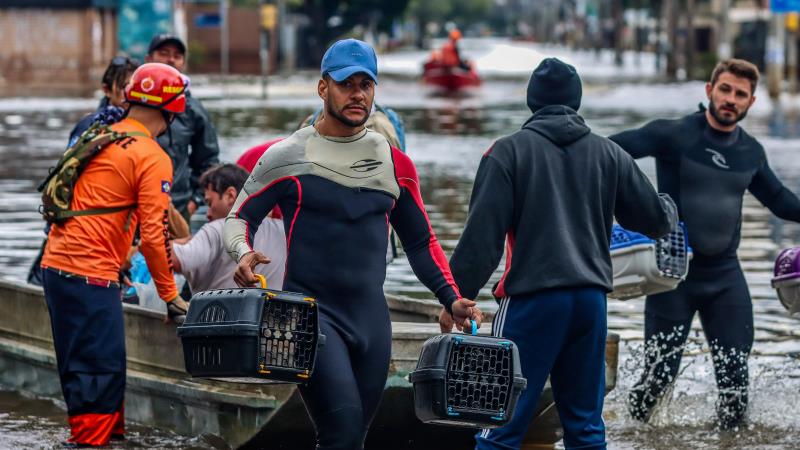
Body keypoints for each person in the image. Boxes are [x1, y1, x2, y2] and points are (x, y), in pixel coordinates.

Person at [223, 38, 483, 450]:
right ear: (323, 87)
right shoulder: (286, 156)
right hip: (310, 318)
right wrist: (242, 254)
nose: (358, 93)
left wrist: (451, 297)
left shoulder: (395, 163)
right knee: (341, 433)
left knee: (353, 438)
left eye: (367, 84)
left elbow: (420, 241)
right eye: (347, 84)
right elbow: (238, 217)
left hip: (371, 321)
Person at [443, 58, 677, 450]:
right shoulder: (609, 154)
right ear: (577, 100)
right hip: (590, 304)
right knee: (585, 429)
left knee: (498, 424)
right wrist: (670, 205)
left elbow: (482, 243)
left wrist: (452, 296)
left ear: (532, 101)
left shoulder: (506, 153)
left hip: (533, 303)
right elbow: (655, 219)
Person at [609, 58, 800, 429]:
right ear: (710, 91)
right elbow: (609, 152)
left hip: (725, 279)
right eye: (725, 89)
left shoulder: (751, 152)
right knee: (657, 379)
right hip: (671, 277)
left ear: (751, 102)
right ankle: (634, 435)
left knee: (735, 384)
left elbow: (779, 200)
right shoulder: (674, 134)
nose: (731, 99)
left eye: (740, 94)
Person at [40, 63, 190, 447]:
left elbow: (104, 208)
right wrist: (171, 296)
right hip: (89, 275)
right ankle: (90, 443)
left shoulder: (102, 134)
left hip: (58, 268)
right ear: (173, 109)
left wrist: (121, 263)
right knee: (99, 372)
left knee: (92, 370)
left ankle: (105, 439)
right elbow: (154, 237)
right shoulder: (151, 155)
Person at [28, 55, 140, 286]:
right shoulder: (92, 129)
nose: (130, 97)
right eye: (125, 88)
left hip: (118, 239)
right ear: (107, 90)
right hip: (81, 240)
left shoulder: (141, 128)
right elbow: (68, 183)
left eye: (135, 89)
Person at [172, 164, 286, 292]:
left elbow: (172, 259)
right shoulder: (283, 230)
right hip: (279, 310)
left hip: (224, 311)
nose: (207, 213)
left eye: (210, 203)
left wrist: (161, 215)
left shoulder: (217, 228)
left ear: (230, 196)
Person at [145, 33, 220, 218]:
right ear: (148, 59)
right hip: (134, 207)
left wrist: (193, 202)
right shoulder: (129, 102)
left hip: (177, 208)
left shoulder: (194, 110)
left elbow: (209, 161)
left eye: (177, 56)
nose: (170, 59)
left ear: (183, 63)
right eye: (164, 53)